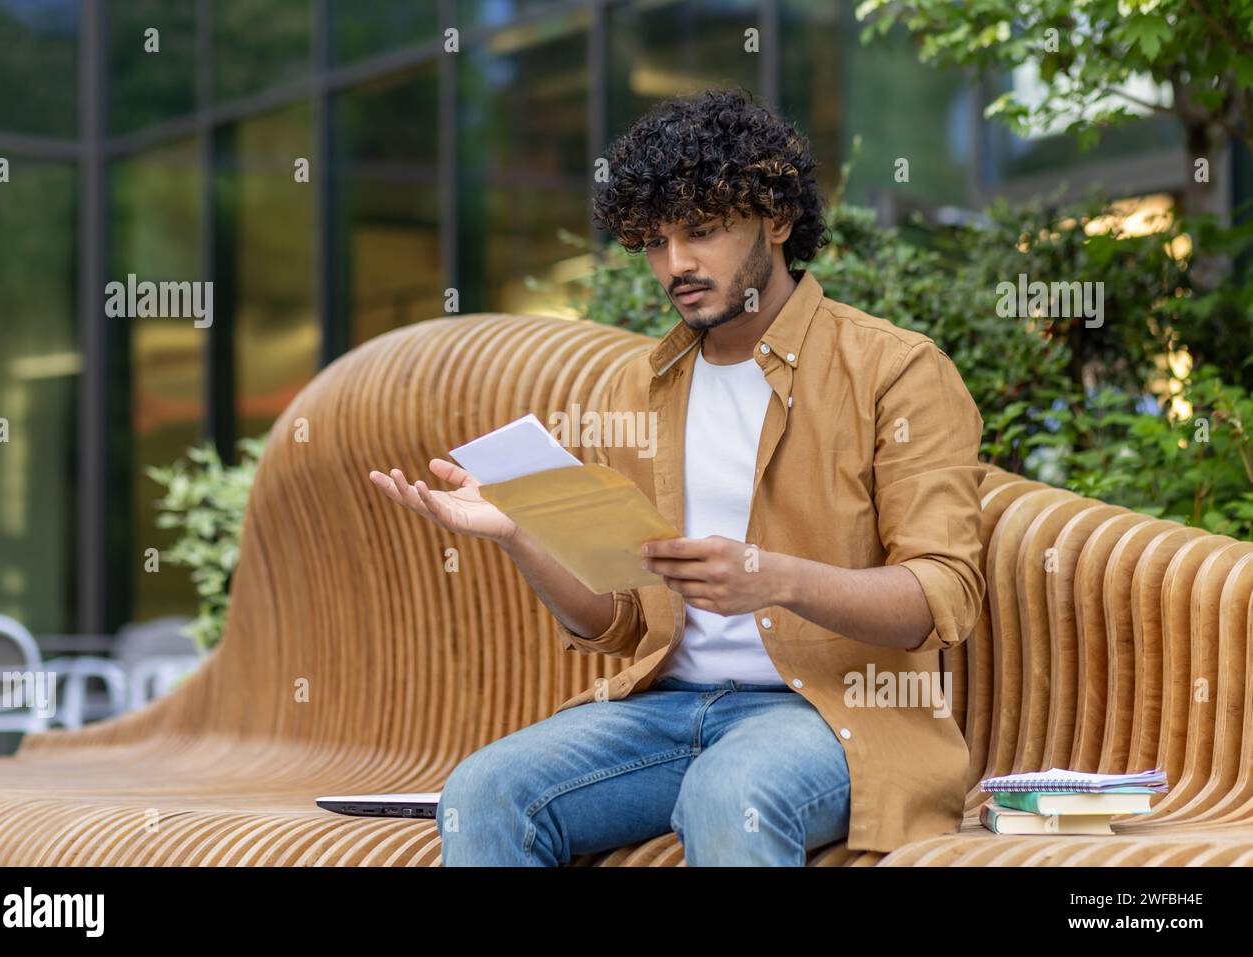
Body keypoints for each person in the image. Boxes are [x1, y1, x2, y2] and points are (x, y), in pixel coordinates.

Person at [369, 88, 987, 866]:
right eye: (656, 241)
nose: (676, 265)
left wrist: (771, 577)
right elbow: (621, 621)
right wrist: (519, 534)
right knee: (483, 792)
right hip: (663, 710)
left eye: (701, 232)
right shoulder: (640, 386)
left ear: (778, 220)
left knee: (727, 793)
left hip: (836, 715)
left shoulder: (895, 372)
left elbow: (940, 595)